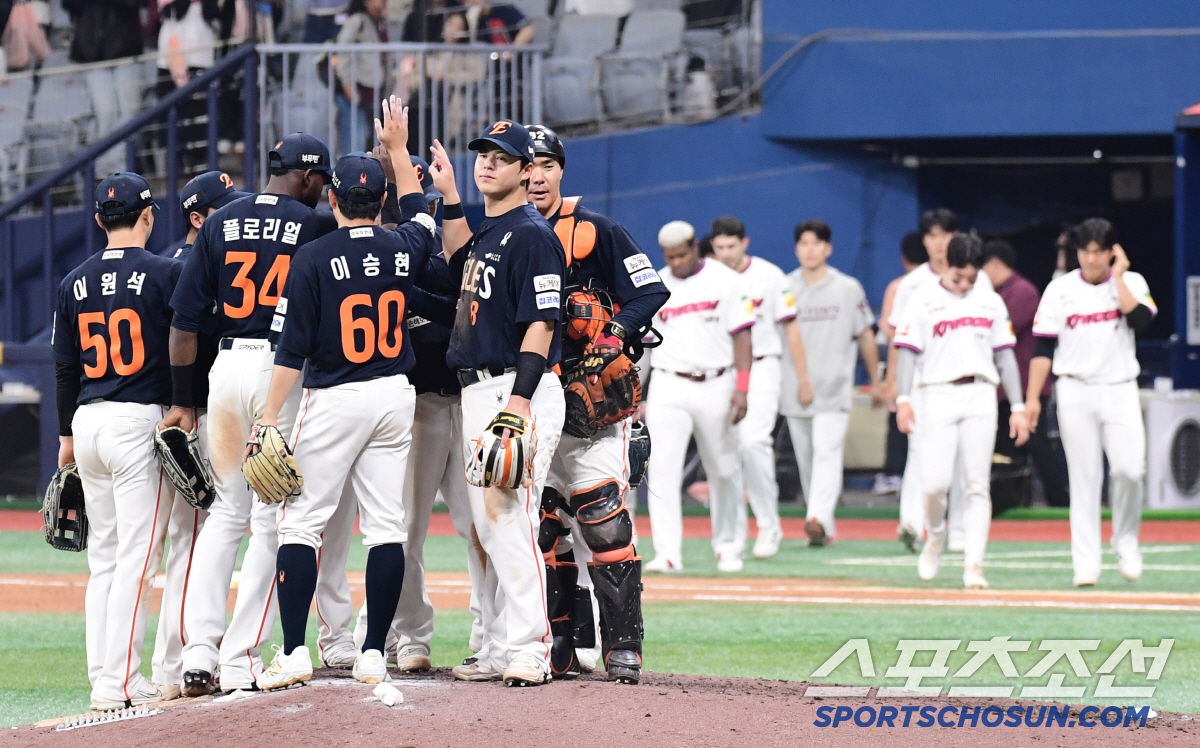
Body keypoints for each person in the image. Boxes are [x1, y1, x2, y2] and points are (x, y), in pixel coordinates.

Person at [253, 111, 440, 689]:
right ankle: (374, 653)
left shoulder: (312, 255)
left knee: (300, 525)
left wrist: (267, 418)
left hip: (335, 397)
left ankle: (293, 652)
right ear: (381, 198)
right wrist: (401, 149)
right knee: (387, 527)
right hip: (393, 396)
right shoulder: (405, 244)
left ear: (332, 197)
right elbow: (419, 212)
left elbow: (290, 350)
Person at [160, 133, 336, 697]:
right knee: (273, 519)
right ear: (306, 177)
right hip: (279, 374)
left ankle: (198, 653)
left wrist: (184, 401)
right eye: (321, 179)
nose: (323, 189)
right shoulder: (314, 226)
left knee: (224, 516)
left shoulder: (217, 223)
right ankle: (238, 659)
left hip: (226, 372)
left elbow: (184, 326)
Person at [526, 125, 670, 684]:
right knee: (544, 529)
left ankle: (623, 648)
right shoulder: (504, 232)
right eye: (529, 166)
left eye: (547, 165)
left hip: (589, 396)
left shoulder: (595, 230)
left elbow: (650, 291)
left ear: (561, 170)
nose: (537, 176)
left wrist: (612, 333)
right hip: (530, 394)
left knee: (605, 522)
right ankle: (564, 640)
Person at [443, 119, 567, 687]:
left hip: (514, 391)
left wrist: (517, 403)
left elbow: (541, 323)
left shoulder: (533, 233)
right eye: (483, 155)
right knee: (489, 527)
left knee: (507, 519)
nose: (487, 164)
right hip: (480, 389)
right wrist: (447, 195)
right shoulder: (493, 233)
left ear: (525, 171)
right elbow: (455, 264)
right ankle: (497, 647)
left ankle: (529, 647)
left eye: (501, 157)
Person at [52, 173, 181, 709]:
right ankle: (120, 681)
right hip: (136, 421)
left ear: (100, 220)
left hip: (87, 421)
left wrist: (64, 438)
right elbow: (181, 344)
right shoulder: (164, 273)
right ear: (147, 216)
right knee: (137, 558)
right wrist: (182, 406)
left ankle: (102, 676)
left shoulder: (72, 281)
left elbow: (63, 370)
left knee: (103, 559)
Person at [148, 172, 243, 700]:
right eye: (221, 208)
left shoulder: (171, 265)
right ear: (197, 217)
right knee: (191, 540)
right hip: (197, 419)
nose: (232, 215)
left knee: (185, 541)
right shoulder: (185, 269)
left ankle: (171, 664)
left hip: (189, 414)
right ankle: (180, 662)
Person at [894, 234, 1029, 590]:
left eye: (971, 277)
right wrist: (903, 399)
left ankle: (974, 565)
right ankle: (936, 534)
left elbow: (1005, 356)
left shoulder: (990, 302)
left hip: (981, 394)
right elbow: (907, 352)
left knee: (976, 485)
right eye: (958, 277)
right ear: (945, 266)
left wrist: (1017, 406)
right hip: (935, 393)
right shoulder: (922, 300)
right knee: (934, 484)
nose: (965, 284)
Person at [1025, 218, 1154, 587]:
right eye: (1085, 251)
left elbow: (1141, 320)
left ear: (1112, 252)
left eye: (1099, 251)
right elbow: (1043, 347)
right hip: (1074, 389)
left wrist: (1119, 277)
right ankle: (1086, 562)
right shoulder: (1059, 290)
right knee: (1084, 478)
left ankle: (1126, 541)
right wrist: (1033, 398)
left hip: (1119, 387)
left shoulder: (1131, 283)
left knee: (1129, 469)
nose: (1091, 258)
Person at [643, 220, 754, 574]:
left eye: (681, 255)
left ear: (694, 248)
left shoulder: (726, 281)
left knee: (723, 467)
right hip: (668, 382)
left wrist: (742, 387)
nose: (675, 262)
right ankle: (668, 552)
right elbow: (645, 347)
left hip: (717, 381)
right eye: (669, 257)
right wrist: (634, 393)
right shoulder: (656, 285)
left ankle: (728, 545)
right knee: (661, 470)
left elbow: (743, 336)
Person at [886, 209, 990, 552]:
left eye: (944, 235)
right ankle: (913, 524)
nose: (938, 243)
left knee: (965, 457)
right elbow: (900, 341)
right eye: (931, 236)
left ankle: (958, 526)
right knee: (922, 453)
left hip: (966, 380)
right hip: (922, 379)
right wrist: (894, 387)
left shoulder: (978, 281)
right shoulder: (912, 284)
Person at [783, 219, 882, 546]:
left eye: (816, 243)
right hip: (794, 390)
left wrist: (876, 381)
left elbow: (866, 334)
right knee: (808, 461)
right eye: (803, 243)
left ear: (828, 248)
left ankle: (817, 517)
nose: (810, 250)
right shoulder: (784, 288)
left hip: (835, 389)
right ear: (796, 248)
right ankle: (822, 527)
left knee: (827, 453)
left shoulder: (847, 287)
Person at [709, 216, 802, 559]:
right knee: (726, 454)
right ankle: (734, 533)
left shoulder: (770, 275)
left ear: (745, 243)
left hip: (763, 365)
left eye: (731, 246)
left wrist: (802, 379)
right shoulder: (710, 279)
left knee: (753, 442)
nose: (725, 253)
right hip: (721, 371)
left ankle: (768, 525)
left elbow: (791, 329)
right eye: (718, 247)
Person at [981, 239, 1070, 508]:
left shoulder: (1022, 291)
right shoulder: (999, 293)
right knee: (1008, 447)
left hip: (1025, 385)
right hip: (1008, 388)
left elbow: (999, 333)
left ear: (995, 263)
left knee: (1036, 443)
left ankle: (1061, 499)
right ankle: (1010, 500)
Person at [873, 231, 926, 495]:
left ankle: (894, 472)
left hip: (914, 363)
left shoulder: (898, 287)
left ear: (904, 258)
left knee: (900, 418)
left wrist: (889, 380)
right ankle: (898, 474)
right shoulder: (907, 286)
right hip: (921, 363)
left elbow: (890, 331)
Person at [334, 0, 391, 155]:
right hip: (354, 91)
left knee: (368, 142)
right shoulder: (356, 21)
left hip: (372, 92)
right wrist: (347, 84)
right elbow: (342, 52)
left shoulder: (379, 23)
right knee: (354, 143)